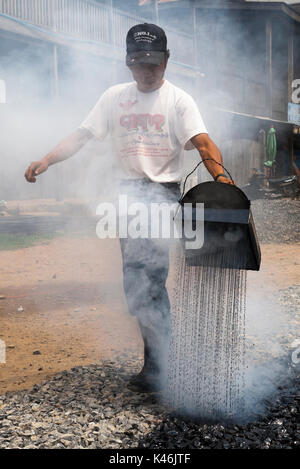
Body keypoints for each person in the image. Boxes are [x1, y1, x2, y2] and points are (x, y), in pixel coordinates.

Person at [25, 23, 233, 393]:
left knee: (148, 281)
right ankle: (160, 364)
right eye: (139, 64)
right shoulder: (114, 98)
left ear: (166, 62)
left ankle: (162, 370)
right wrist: (46, 160)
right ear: (127, 63)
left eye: (153, 64)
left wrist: (223, 181)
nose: (147, 72)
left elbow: (202, 143)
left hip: (162, 194)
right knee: (137, 284)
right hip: (128, 197)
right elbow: (82, 135)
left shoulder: (178, 101)